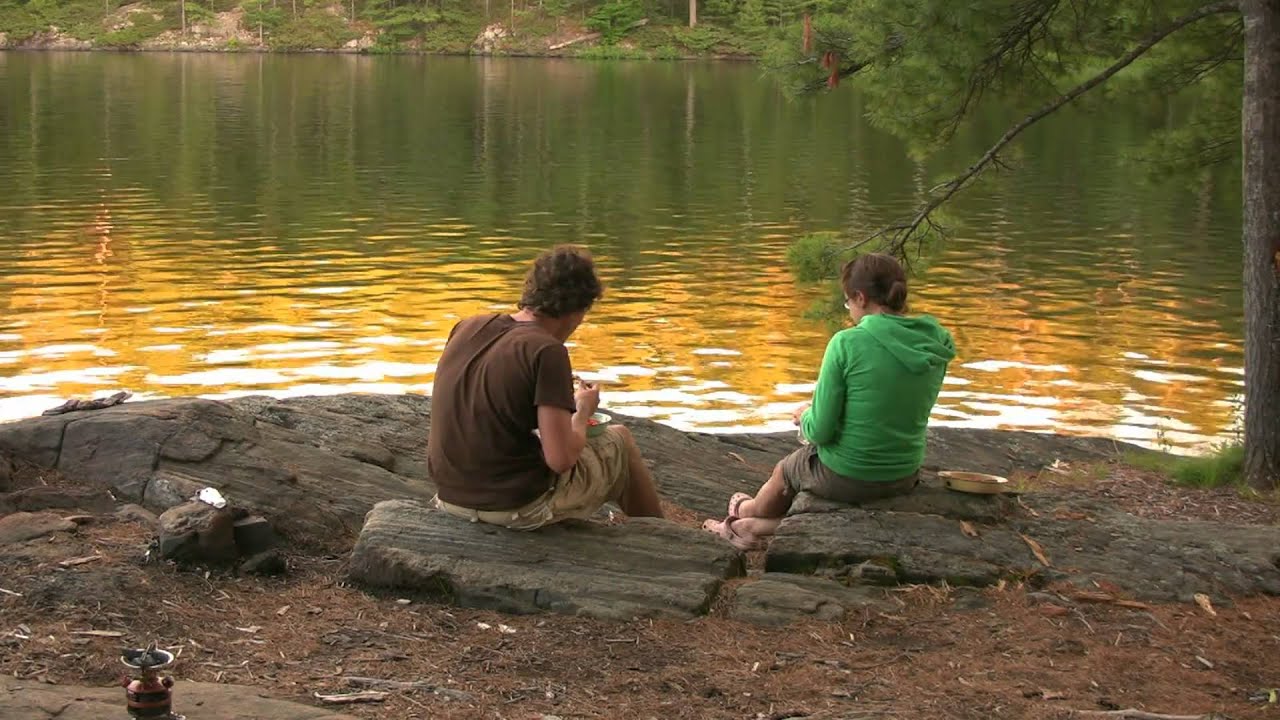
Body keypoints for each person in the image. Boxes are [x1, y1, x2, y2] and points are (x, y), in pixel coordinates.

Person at [703, 253, 955, 549]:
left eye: (847, 301)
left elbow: (821, 431)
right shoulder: (937, 341)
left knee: (790, 467)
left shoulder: (847, 343)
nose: (849, 309)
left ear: (860, 298)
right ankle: (757, 526)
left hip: (848, 475)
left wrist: (805, 416)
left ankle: (745, 516)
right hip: (903, 472)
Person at [427, 244, 665, 530]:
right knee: (620, 440)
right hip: (514, 509)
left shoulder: (468, 326)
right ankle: (664, 540)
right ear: (578, 310)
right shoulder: (547, 351)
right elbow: (561, 458)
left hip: (449, 497)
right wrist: (582, 410)